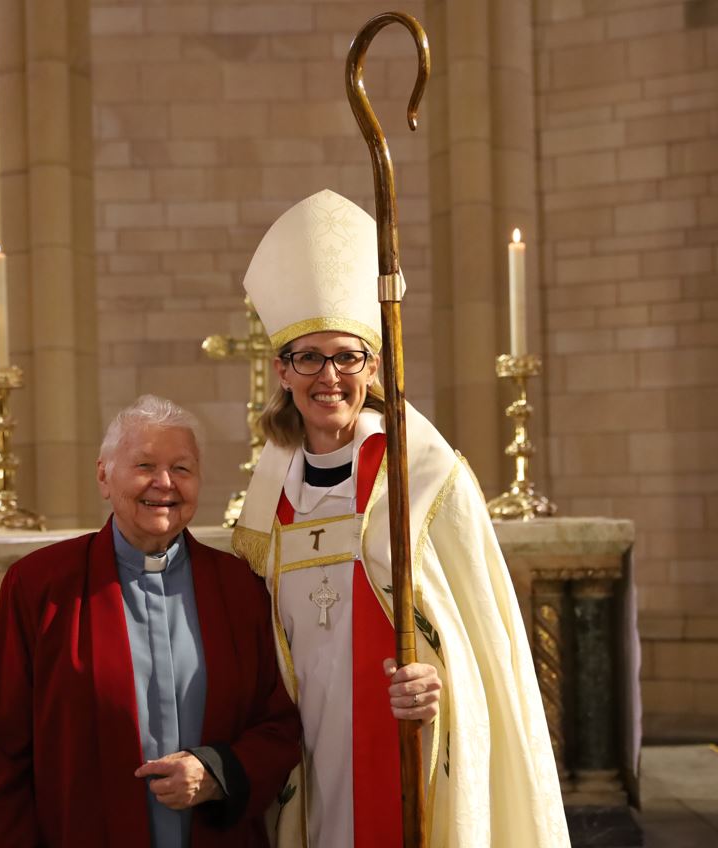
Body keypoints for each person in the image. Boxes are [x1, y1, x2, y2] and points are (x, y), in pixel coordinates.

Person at [230, 190, 569, 847]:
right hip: (308, 755)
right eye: (309, 358)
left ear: (374, 366)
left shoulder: (428, 479)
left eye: (347, 356)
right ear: (283, 371)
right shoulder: (267, 498)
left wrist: (438, 680)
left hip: (407, 745)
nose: (329, 376)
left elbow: (482, 643)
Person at [0, 395, 302, 848]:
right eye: (144, 465)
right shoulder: (40, 587)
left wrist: (217, 774)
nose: (164, 483)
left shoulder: (239, 588)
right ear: (104, 475)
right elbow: (0, 752)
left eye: (182, 469)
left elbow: (278, 723)